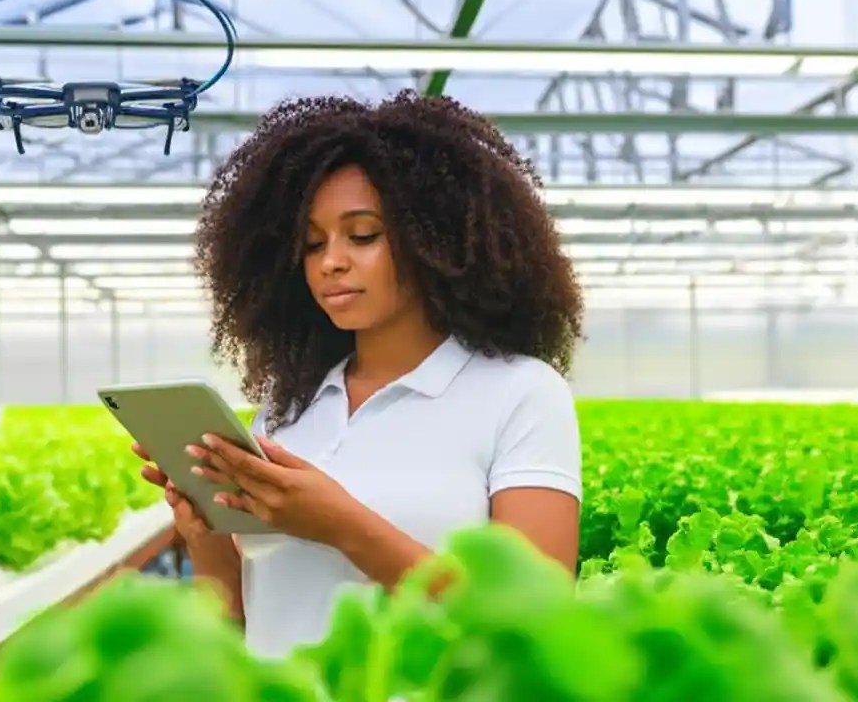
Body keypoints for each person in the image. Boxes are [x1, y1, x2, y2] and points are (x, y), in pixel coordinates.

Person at [133, 90, 585, 659]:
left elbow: (534, 623)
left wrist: (343, 525)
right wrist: (206, 536)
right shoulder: (287, 408)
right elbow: (242, 621)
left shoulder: (520, 393)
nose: (331, 262)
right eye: (311, 244)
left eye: (363, 235)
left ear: (434, 239)